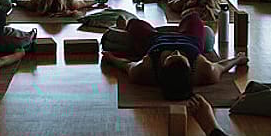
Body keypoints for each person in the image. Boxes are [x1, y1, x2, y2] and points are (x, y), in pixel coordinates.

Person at [102, 13, 248, 99]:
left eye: (171, 56)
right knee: (193, 17)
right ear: (190, 67)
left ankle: (126, 28)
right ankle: (177, 28)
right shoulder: (204, 71)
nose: (176, 51)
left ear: (162, 68)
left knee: (134, 23)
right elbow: (222, 66)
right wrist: (238, 59)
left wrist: (111, 58)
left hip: (155, 39)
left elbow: (126, 65)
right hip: (190, 38)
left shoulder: (145, 71)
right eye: (180, 56)